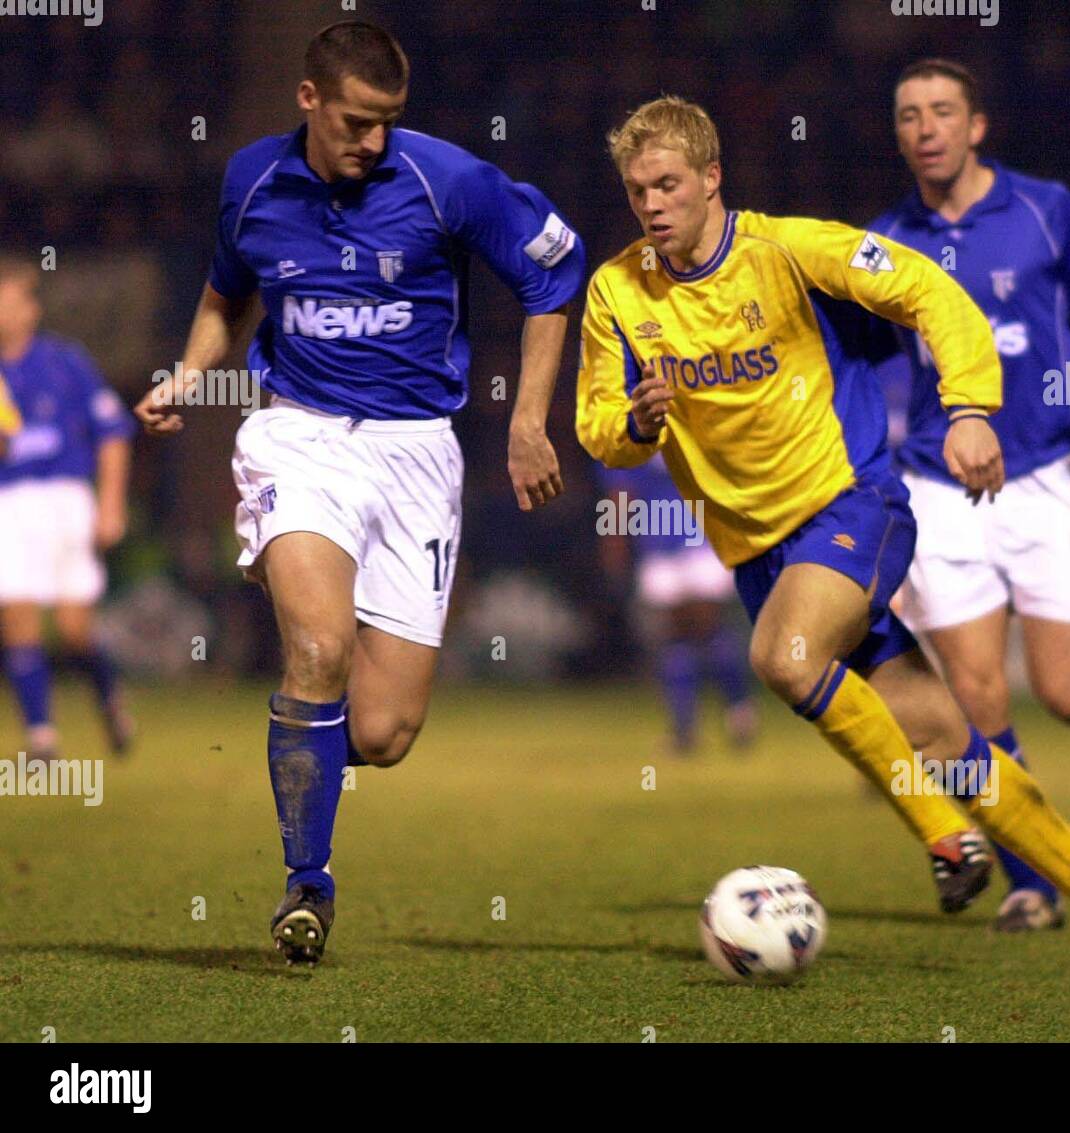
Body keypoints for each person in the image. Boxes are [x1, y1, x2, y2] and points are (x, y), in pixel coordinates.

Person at [576, 96, 1070, 965]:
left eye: (667, 184)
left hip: (851, 507)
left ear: (711, 178)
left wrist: (968, 407)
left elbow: (929, 288)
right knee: (945, 736)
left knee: (783, 657)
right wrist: (641, 423)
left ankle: (941, 834)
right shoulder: (619, 291)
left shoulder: (790, 251)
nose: (652, 205)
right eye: (636, 190)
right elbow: (598, 429)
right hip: (759, 551)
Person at [134, 21, 585, 966]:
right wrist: (188, 372)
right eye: (356, 121)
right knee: (321, 645)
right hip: (298, 436)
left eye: (387, 122)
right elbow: (228, 295)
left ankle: (311, 710)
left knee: (382, 732)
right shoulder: (253, 181)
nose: (372, 141)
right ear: (309, 100)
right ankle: (307, 884)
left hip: (417, 453)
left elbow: (553, 279)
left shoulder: (448, 179)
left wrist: (529, 418)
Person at [871, 59, 1070, 931]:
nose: (926, 127)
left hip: (1048, 476)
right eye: (910, 114)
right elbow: (863, 359)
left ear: (977, 125)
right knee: (977, 699)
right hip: (939, 484)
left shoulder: (1046, 209)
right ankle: (1035, 879)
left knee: (1065, 691)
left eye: (943, 111)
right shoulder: (883, 240)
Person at [0, 255, 134, 761]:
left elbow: (113, 434)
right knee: (17, 613)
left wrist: (111, 506)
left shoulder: (64, 361)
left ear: (30, 308)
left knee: (75, 628)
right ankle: (41, 738)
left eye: (9, 301)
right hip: (9, 502)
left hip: (65, 499)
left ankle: (109, 695)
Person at [598, 452, 758, 755]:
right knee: (689, 634)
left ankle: (716, 718)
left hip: (682, 535)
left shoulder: (630, 418)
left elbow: (621, 490)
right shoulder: (699, 410)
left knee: (690, 632)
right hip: (681, 537)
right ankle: (725, 715)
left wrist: (614, 539)